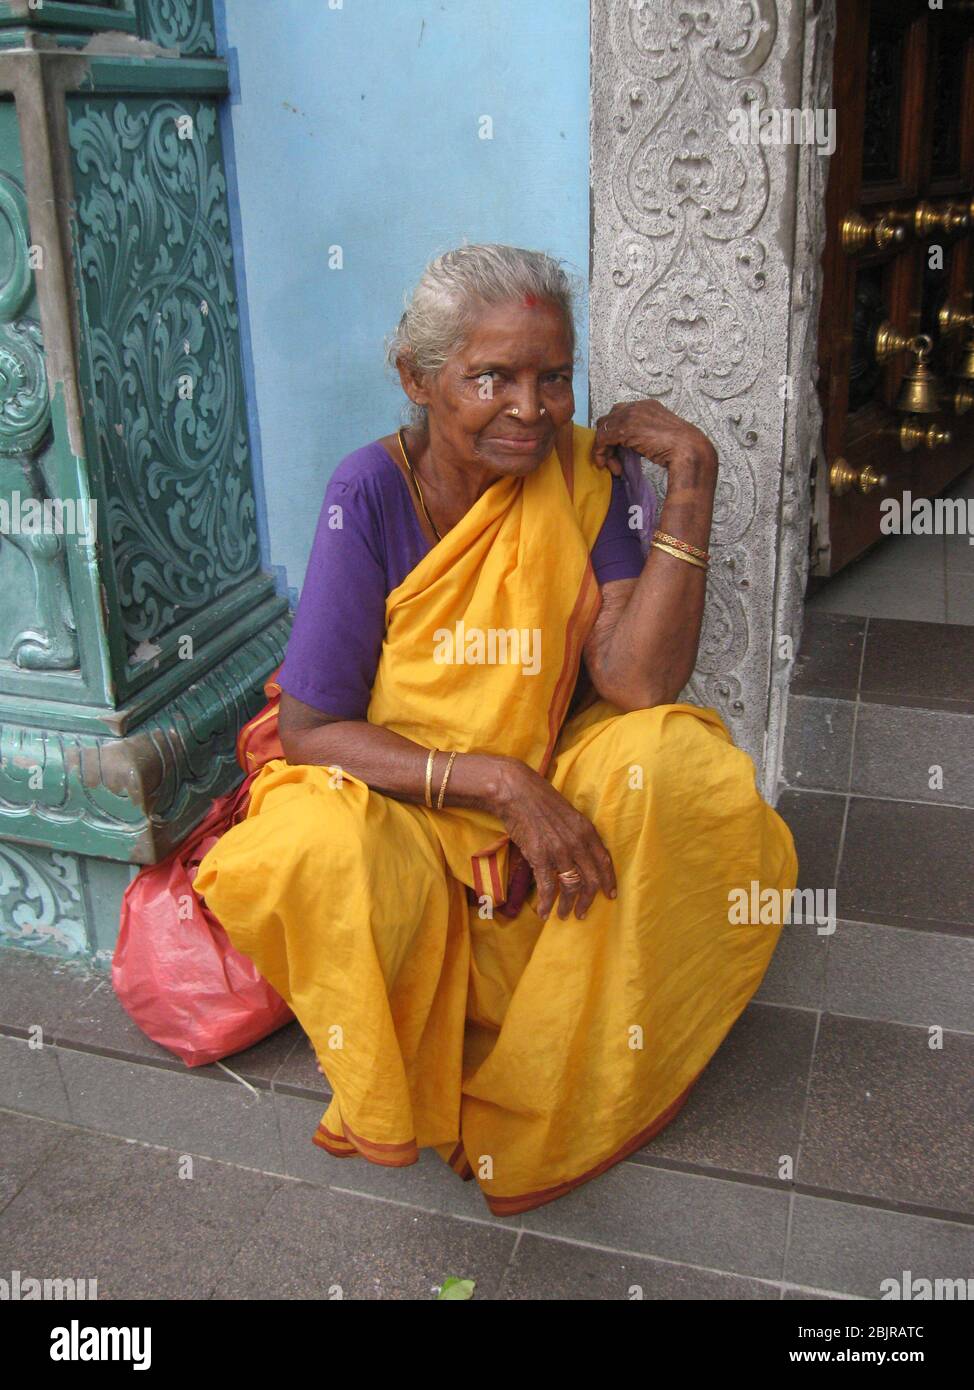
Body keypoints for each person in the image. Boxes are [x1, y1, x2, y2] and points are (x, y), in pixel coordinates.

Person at [193, 243, 797, 1217]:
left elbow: (636, 680)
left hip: (549, 774)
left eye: (552, 376)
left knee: (677, 761)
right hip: (404, 787)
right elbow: (309, 728)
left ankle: (573, 1065)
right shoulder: (371, 491)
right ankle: (410, 1062)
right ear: (419, 380)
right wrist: (498, 785)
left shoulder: (581, 475)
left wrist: (689, 475)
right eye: (492, 376)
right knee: (309, 844)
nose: (530, 406)